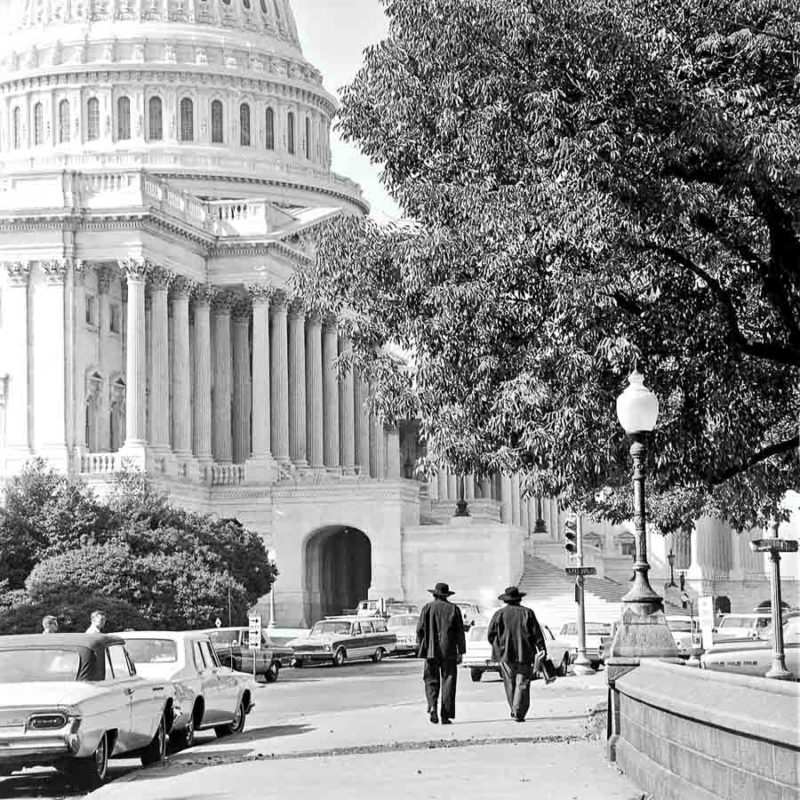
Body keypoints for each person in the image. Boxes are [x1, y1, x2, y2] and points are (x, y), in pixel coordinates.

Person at [487, 586, 547, 723]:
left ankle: (514, 710)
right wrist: (542, 649)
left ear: (506, 600)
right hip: (525, 653)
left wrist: (499, 648)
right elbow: (537, 634)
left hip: (505, 655)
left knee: (509, 683)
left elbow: (490, 635)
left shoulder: (499, 614)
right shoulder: (528, 613)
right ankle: (518, 711)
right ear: (519, 599)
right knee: (522, 682)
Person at [416, 582, 466, 725]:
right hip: (449, 651)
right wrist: (460, 651)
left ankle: (432, 706)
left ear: (434, 594)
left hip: (431, 651)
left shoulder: (427, 608)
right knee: (448, 681)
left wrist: (421, 646)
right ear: (447, 595)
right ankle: (446, 715)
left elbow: (420, 630)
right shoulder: (453, 609)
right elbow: (459, 633)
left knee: (431, 680)